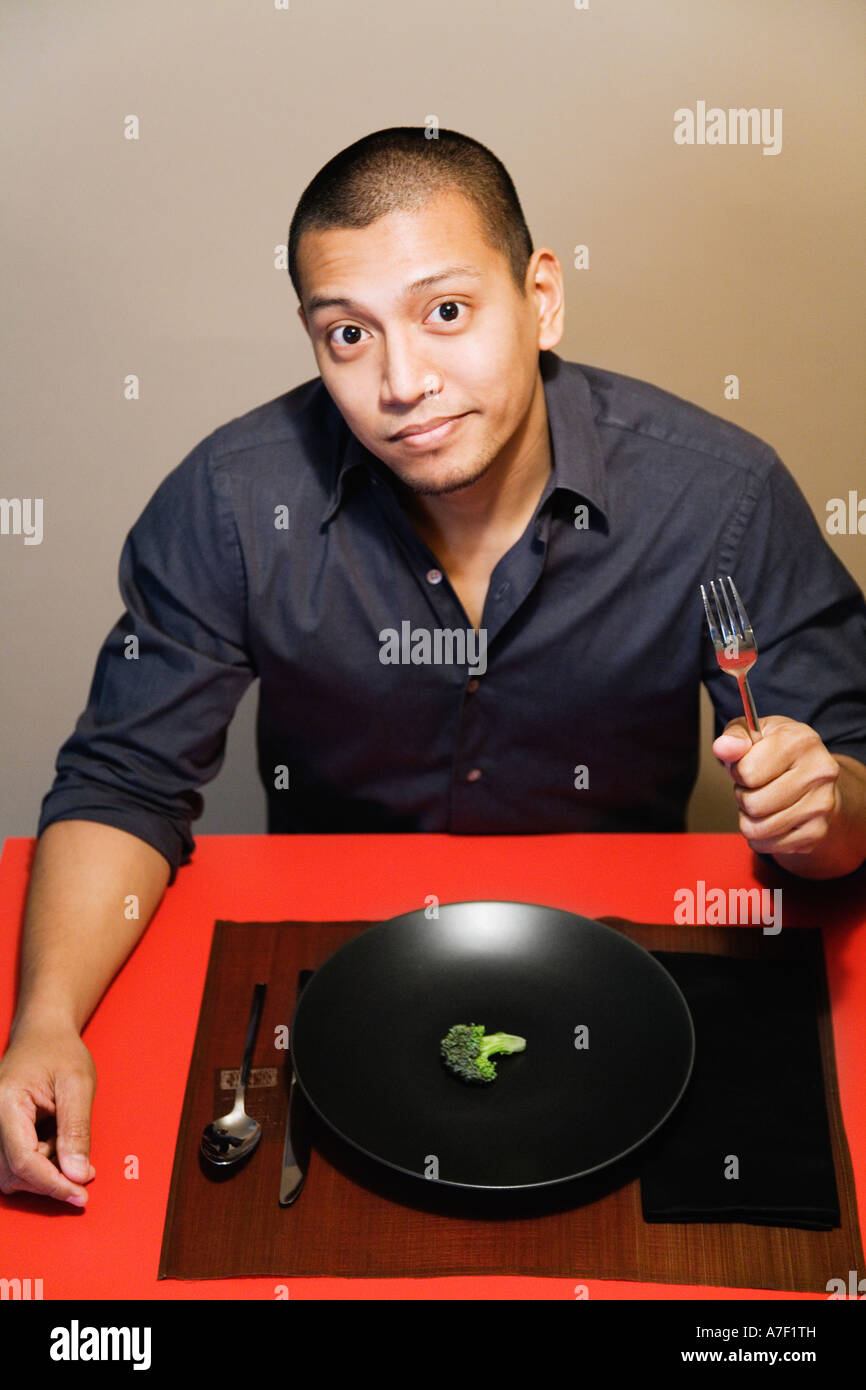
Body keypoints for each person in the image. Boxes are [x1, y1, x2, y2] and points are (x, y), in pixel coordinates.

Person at [2, 127, 865, 1211]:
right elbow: (124, 782)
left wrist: (822, 809)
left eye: (445, 312)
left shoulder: (719, 494)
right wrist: (43, 1023)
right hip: (331, 976)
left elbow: (854, 789)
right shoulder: (230, 499)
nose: (401, 383)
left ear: (540, 297)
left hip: (625, 973)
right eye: (348, 334)